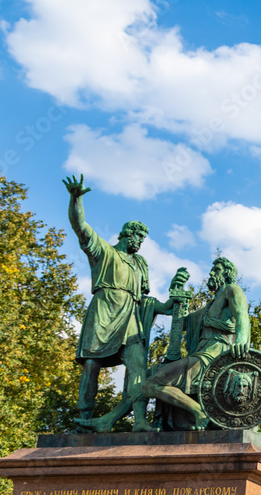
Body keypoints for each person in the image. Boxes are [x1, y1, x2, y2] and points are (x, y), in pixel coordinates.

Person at [63, 174, 186, 431]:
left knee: (137, 366)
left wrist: (168, 305)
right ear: (127, 235)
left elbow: (144, 302)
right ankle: (85, 420)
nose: (140, 242)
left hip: (131, 318)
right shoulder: (104, 253)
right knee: (91, 367)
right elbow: (81, 227)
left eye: (143, 239)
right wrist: (76, 199)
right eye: (138, 237)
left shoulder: (140, 264)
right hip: (104, 312)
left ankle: (139, 421)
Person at [78, 256, 250, 432]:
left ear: (227, 274)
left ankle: (199, 411)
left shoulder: (232, 290)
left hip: (213, 357)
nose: (212, 274)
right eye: (212, 270)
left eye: (217, 270)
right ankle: (109, 420)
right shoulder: (210, 306)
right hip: (200, 356)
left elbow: (242, 315)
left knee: (150, 385)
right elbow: (181, 323)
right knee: (144, 378)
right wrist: (177, 295)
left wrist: (242, 340)